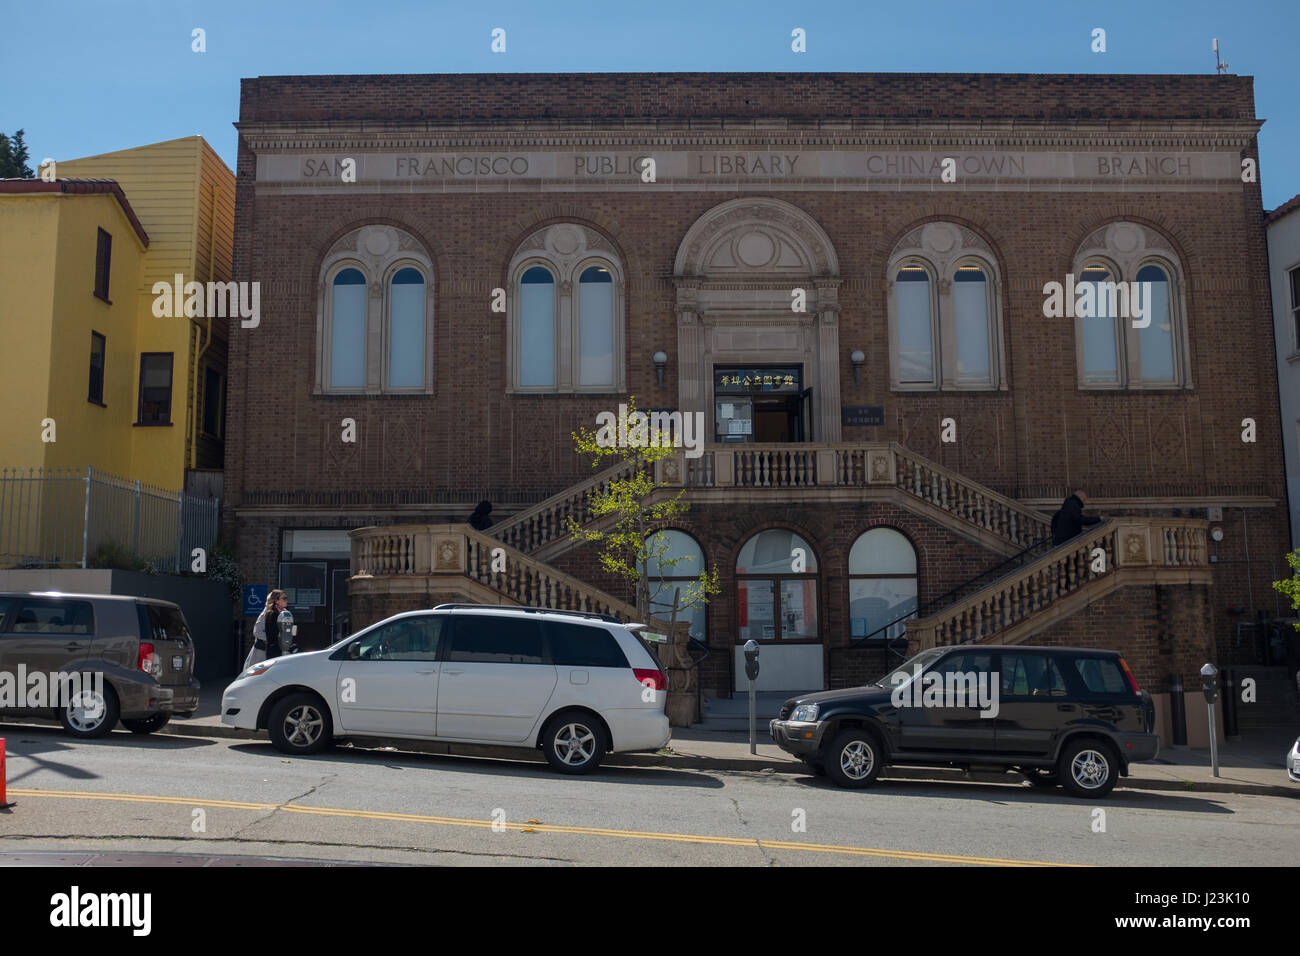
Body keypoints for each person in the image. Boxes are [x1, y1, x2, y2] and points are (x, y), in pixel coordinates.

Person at [244, 590, 290, 669]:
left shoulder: (285, 613)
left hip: (278, 649)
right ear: (276, 601)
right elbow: (257, 632)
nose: (287, 600)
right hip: (263, 651)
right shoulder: (267, 613)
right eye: (284, 598)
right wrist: (273, 639)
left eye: (286, 598)